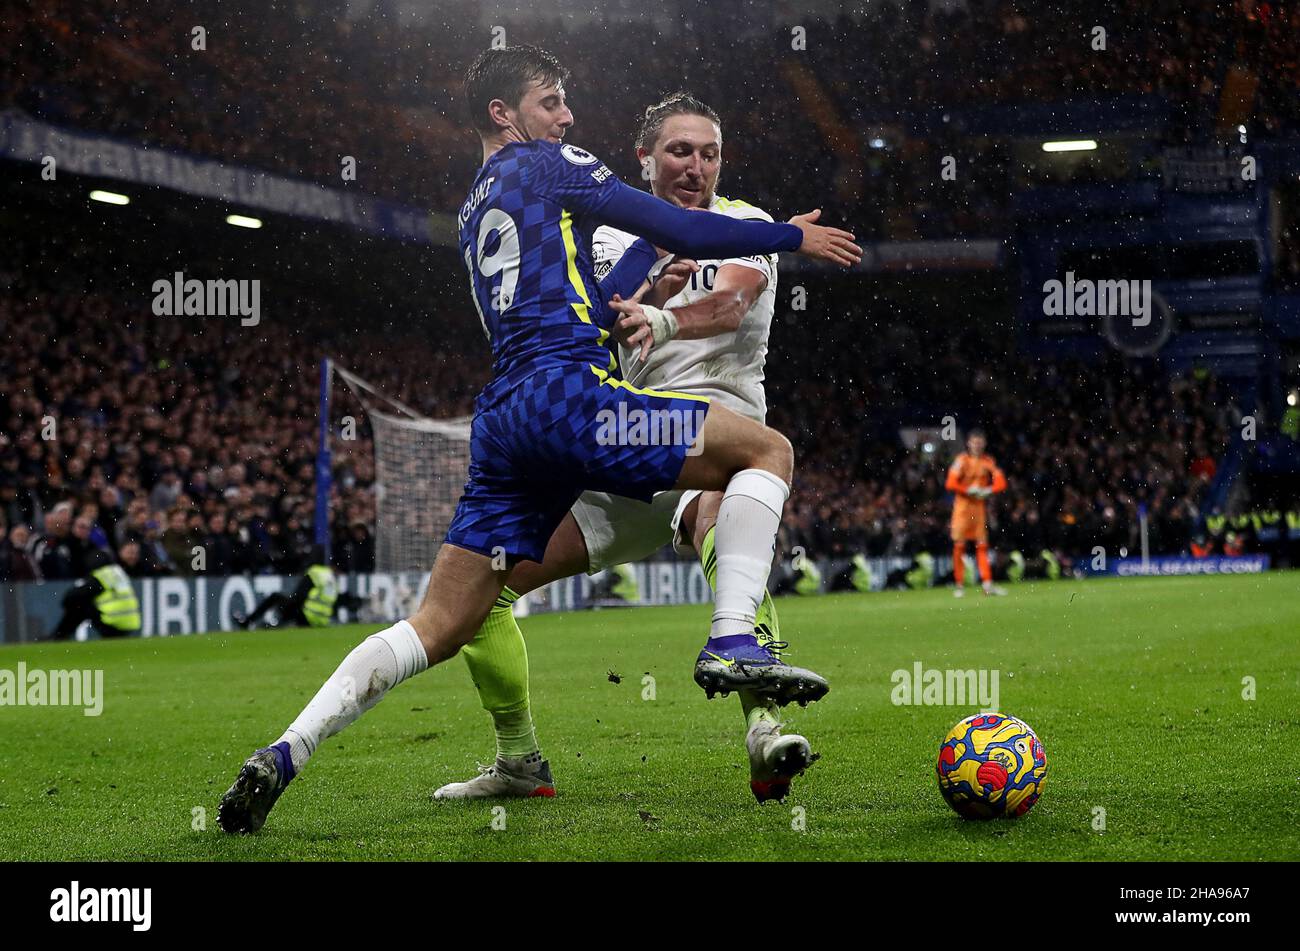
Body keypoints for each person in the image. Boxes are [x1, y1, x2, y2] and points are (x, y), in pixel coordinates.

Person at [217, 44, 860, 834]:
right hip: (574, 401)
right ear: (505, 114)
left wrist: (641, 291)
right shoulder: (552, 164)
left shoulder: (471, 207)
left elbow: (603, 286)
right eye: (551, 102)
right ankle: (734, 640)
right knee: (768, 450)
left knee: (441, 621)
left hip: (506, 422)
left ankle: (287, 749)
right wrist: (790, 237)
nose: (565, 117)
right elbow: (670, 225)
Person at [439, 92, 813, 804]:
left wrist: (662, 318)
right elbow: (579, 327)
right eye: (679, 150)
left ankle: (764, 729)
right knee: (485, 586)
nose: (695, 166)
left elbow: (729, 302)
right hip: (614, 440)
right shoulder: (597, 228)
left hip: (709, 431)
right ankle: (519, 761)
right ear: (644, 158)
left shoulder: (746, 224)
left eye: (709, 153)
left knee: (719, 510)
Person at [233, 548, 363, 630]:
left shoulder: (313, 572)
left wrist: (285, 613)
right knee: (290, 604)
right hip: (322, 620)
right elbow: (335, 600)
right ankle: (276, 624)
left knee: (276, 597)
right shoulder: (329, 575)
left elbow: (299, 597)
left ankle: (248, 622)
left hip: (307, 617)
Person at [945, 429, 1007, 597]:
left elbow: (1001, 483)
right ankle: (959, 585)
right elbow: (950, 483)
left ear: (984, 443)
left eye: (980, 442)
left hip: (979, 510)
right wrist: (967, 490)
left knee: (982, 546)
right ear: (969, 443)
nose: (977, 445)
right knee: (959, 546)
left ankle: (987, 584)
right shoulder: (961, 460)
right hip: (962, 509)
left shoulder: (988, 461)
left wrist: (989, 490)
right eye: (974, 442)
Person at [49, 548, 141, 640]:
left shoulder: (101, 576)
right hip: (130, 623)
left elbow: (70, 597)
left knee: (79, 605)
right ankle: (59, 635)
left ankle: (58, 636)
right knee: (83, 602)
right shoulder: (118, 572)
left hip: (114, 624)